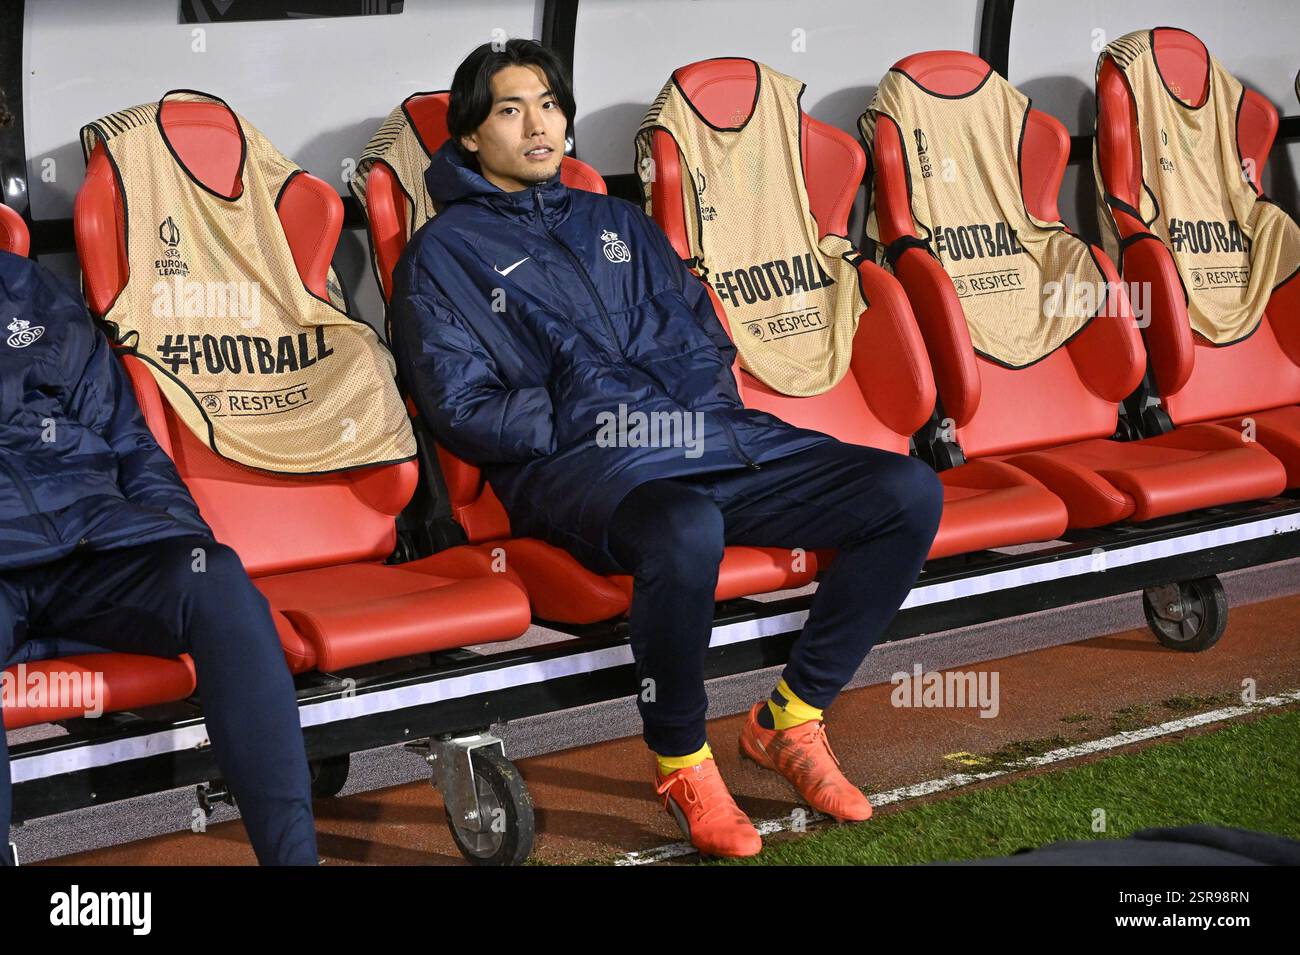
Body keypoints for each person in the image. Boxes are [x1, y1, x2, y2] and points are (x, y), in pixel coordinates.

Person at [390, 39, 944, 858]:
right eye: (510, 110)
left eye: (548, 105)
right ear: (470, 135)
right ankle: (685, 761)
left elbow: (703, 337)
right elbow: (462, 408)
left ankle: (789, 720)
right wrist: (596, 417)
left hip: (711, 438)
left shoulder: (616, 220)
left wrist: (692, 411)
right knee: (685, 528)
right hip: (581, 470)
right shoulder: (444, 254)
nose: (537, 125)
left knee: (906, 491)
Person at [0, 247, 319, 866]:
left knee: (217, 582)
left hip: (96, 542)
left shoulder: (28, 292)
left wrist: (178, 536)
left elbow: (128, 439)